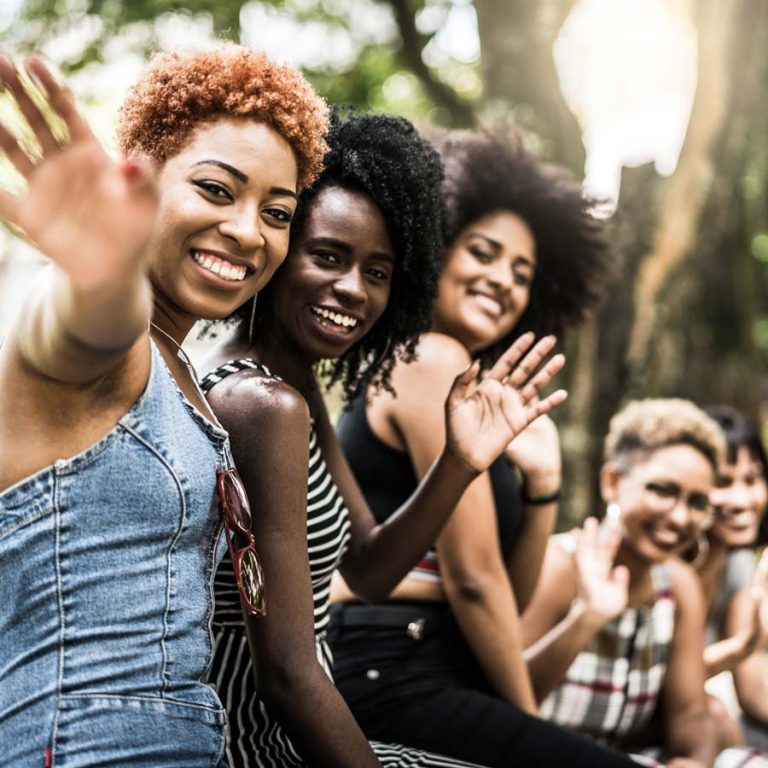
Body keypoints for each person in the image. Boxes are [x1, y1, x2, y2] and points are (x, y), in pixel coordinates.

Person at [199, 113, 568, 768]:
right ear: (278, 250)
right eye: (328, 257)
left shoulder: (295, 388)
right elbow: (287, 677)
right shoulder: (262, 404)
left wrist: (458, 462)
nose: (353, 289)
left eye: (378, 271)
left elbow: (369, 572)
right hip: (255, 745)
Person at [0, 46, 327, 767]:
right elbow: (84, 329)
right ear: (139, 178)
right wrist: (102, 270)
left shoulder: (179, 364)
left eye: (276, 212)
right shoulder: (100, 336)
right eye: (215, 189)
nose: (248, 230)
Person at [329, 130, 636, 767]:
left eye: (522, 274)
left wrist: (543, 485)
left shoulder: (469, 388)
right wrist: (531, 727)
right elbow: (473, 581)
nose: (502, 280)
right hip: (393, 660)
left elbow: (508, 601)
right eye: (483, 253)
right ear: (436, 251)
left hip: (440, 660)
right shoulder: (430, 358)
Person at [522, 398, 735, 767]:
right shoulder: (559, 565)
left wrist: (694, 761)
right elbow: (506, 700)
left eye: (698, 502)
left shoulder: (679, 586)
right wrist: (587, 617)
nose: (680, 517)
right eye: (662, 490)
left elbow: (690, 713)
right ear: (612, 482)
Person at [694, 406, 768, 749]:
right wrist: (741, 646)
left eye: (752, 480)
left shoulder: (737, 563)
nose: (742, 501)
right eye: (723, 482)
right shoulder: (661, 566)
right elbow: (668, 689)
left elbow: (752, 684)